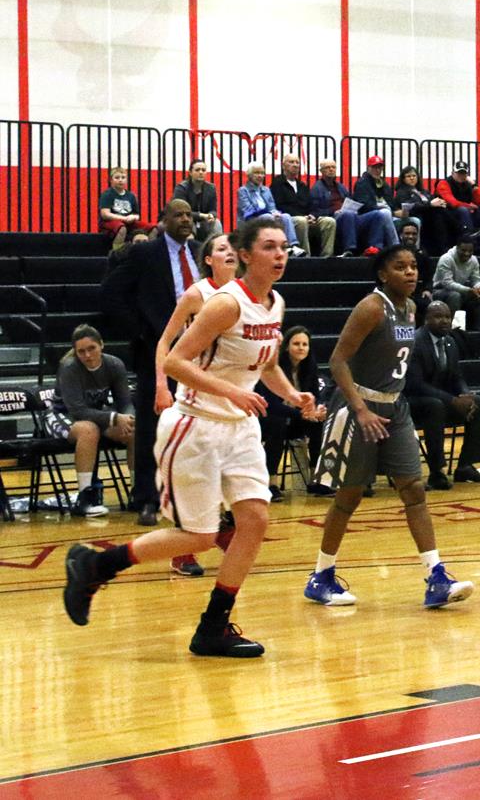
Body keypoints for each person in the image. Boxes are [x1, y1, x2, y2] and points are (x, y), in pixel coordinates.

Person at [64, 216, 318, 658]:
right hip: (195, 424)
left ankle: (213, 627)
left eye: (283, 247)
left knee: (254, 522)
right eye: (269, 247)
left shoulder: (274, 304)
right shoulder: (224, 303)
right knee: (198, 536)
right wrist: (233, 391)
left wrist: (293, 395)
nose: (280, 255)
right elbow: (176, 362)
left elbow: (267, 363)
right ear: (244, 254)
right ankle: (96, 564)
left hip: (238, 428)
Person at [302, 247, 474, 610]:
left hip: (394, 408)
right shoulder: (371, 308)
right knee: (348, 497)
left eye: (413, 266)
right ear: (382, 274)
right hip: (358, 408)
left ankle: (437, 576)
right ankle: (321, 575)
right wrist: (360, 408)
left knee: (413, 488)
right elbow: (337, 361)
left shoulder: (412, 309)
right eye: (400, 267)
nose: (410, 272)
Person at [100, 198, 200, 525]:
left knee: (198, 424)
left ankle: (190, 494)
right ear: (162, 221)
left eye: (188, 214)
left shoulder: (200, 252)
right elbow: (111, 292)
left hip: (199, 351)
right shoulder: (145, 253)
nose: (185, 219)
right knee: (153, 425)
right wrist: (141, 332)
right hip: (159, 352)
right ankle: (146, 497)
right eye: (178, 214)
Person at [151, 231, 238, 575]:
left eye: (232, 248)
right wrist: (161, 385)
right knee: (196, 470)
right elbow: (164, 343)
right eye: (221, 249)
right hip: (194, 393)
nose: (229, 253)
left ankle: (219, 529)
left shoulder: (245, 295)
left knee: (227, 468)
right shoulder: (196, 294)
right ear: (208, 259)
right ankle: (187, 545)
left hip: (229, 392)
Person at [406, 300, 480, 490]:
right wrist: (452, 400)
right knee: (435, 406)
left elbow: (456, 377)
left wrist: (465, 395)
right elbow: (415, 385)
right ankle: (436, 472)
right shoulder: (415, 342)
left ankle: (465, 465)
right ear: (426, 319)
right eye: (438, 317)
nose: (445, 321)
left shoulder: (450, 341)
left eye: (447, 316)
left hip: (441, 400)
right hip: (414, 403)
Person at [47, 325, 134, 518]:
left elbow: (125, 402)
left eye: (91, 348)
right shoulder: (69, 368)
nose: (87, 355)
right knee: (88, 430)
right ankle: (84, 498)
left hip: (96, 415)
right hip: (62, 416)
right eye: (81, 351)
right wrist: (113, 417)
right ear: (76, 353)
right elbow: (77, 410)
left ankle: (138, 491)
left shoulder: (115, 364)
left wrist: (128, 418)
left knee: (132, 430)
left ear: (101, 345)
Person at [259, 325, 326, 501]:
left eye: (305, 344)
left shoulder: (310, 367)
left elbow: (316, 396)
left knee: (319, 424)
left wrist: (317, 410)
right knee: (277, 423)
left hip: (296, 418)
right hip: (269, 419)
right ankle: (271, 484)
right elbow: (271, 404)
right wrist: (302, 414)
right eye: (296, 343)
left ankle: (316, 479)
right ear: (287, 346)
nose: (301, 348)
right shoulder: (274, 367)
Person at [270, 154, 336, 256]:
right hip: (288, 219)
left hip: (306, 217)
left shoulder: (302, 186)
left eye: (297, 162)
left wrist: (311, 215)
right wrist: (303, 217)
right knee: (301, 221)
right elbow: (280, 206)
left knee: (329, 221)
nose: (295, 165)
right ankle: (305, 257)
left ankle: (327, 257)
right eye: (291, 162)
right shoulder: (277, 184)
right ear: (283, 166)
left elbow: (310, 204)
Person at [238, 163, 308, 256]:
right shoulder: (243, 190)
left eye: (262, 173)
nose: (260, 176)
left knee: (286, 216)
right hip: (251, 219)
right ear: (249, 175)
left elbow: (272, 206)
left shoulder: (266, 190)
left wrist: (275, 213)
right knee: (268, 217)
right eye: (256, 173)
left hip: (267, 215)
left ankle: (292, 245)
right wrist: (269, 213)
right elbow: (248, 210)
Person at [436, 161, 480, 251]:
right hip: (448, 214)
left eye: (463, 173)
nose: (461, 175)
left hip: (465, 214)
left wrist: (474, 186)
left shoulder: (468, 185)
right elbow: (453, 203)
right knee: (463, 210)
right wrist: (470, 206)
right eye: (458, 173)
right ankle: (471, 243)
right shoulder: (443, 184)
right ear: (452, 173)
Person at [391, 165, 450, 255]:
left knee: (441, 210)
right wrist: (430, 204)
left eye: (414, 176)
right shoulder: (402, 192)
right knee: (437, 213)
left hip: (430, 215)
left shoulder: (423, 191)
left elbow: (432, 200)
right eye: (408, 176)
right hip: (416, 216)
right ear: (403, 179)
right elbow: (410, 206)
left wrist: (440, 203)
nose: (412, 178)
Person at [434, 236, 480, 331]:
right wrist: (468, 290)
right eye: (463, 250)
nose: (467, 254)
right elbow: (447, 283)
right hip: (440, 291)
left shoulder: (474, 260)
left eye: (470, 251)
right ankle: (452, 331)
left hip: (461, 291)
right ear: (457, 248)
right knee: (455, 296)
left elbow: (476, 279)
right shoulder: (446, 259)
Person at [349, 156, 400, 248]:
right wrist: (382, 207)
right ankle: (395, 246)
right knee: (385, 212)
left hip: (388, 214)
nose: (378, 170)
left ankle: (413, 250)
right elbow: (364, 205)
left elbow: (392, 204)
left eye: (380, 167)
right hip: (367, 215)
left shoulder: (385, 185)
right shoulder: (362, 183)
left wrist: (400, 212)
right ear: (368, 168)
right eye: (374, 167)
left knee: (413, 221)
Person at [174, 161, 220, 243]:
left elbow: (213, 210)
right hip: (185, 219)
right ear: (190, 172)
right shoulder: (181, 188)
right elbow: (180, 211)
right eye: (197, 170)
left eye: (203, 170)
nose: (201, 172)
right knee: (189, 231)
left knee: (216, 223)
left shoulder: (211, 188)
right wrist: (202, 215)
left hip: (203, 221)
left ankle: (215, 247)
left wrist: (211, 215)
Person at [97, 168, 141, 247]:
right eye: (117, 178)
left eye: (123, 177)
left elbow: (137, 215)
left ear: (127, 180)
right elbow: (105, 214)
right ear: (111, 180)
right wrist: (124, 219)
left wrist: (133, 217)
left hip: (128, 222)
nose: (120, 180)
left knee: (153, 228)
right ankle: (117, 254)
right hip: (109, 223)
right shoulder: (107, 194)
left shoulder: (131, 196)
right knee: (122, 228)